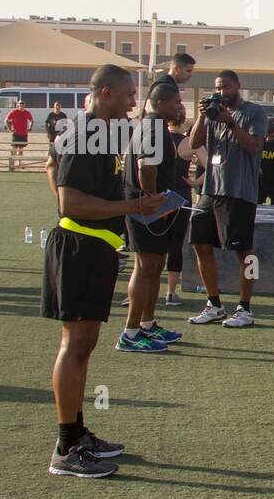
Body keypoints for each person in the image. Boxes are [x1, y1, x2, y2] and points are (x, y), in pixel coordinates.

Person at [41, 65, 167, 477]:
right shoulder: (83, 135)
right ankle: (65, 447)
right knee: (75, 344)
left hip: (95, 247)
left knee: (85, 344)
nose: (135, 101)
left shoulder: (101, 133)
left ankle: (77, 434)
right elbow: (70, 203)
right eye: (130, 94)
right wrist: (133, 207)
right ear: (107, 92)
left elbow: (49, 165)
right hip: (79, 246)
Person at [186, 70, 267, 328]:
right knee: (199, 242)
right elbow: (193, 142)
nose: (222, 93)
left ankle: (245, 307)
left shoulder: (254, 112)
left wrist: (230, 122)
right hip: (211, 189)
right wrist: (202, 116)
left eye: (227, 88)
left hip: (239, 191)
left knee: (245, 251)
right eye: (218, 88)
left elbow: (254, 147)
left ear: (238, 87)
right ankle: (214, 303)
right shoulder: (212, 113)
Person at [117, 81, 191, 353]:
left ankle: (146, 324)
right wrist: (154, 202)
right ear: (161, 105)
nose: (179, 107)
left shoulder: (153, 127)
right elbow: (145, 168)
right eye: (175, 102)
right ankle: (131, 331)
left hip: (146, 205)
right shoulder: (153, 129)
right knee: (145, 266)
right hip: (144, 206)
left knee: (155, 265)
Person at [163, 106, 195, 306]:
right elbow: (211, 164)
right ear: (184, 121)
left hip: (159, 197)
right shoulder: (188, 142)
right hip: (181, 198)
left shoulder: (158, 139)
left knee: (153, 247)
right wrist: (196, 182)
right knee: (176, 246)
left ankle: (143, 288)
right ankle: (170, 293)